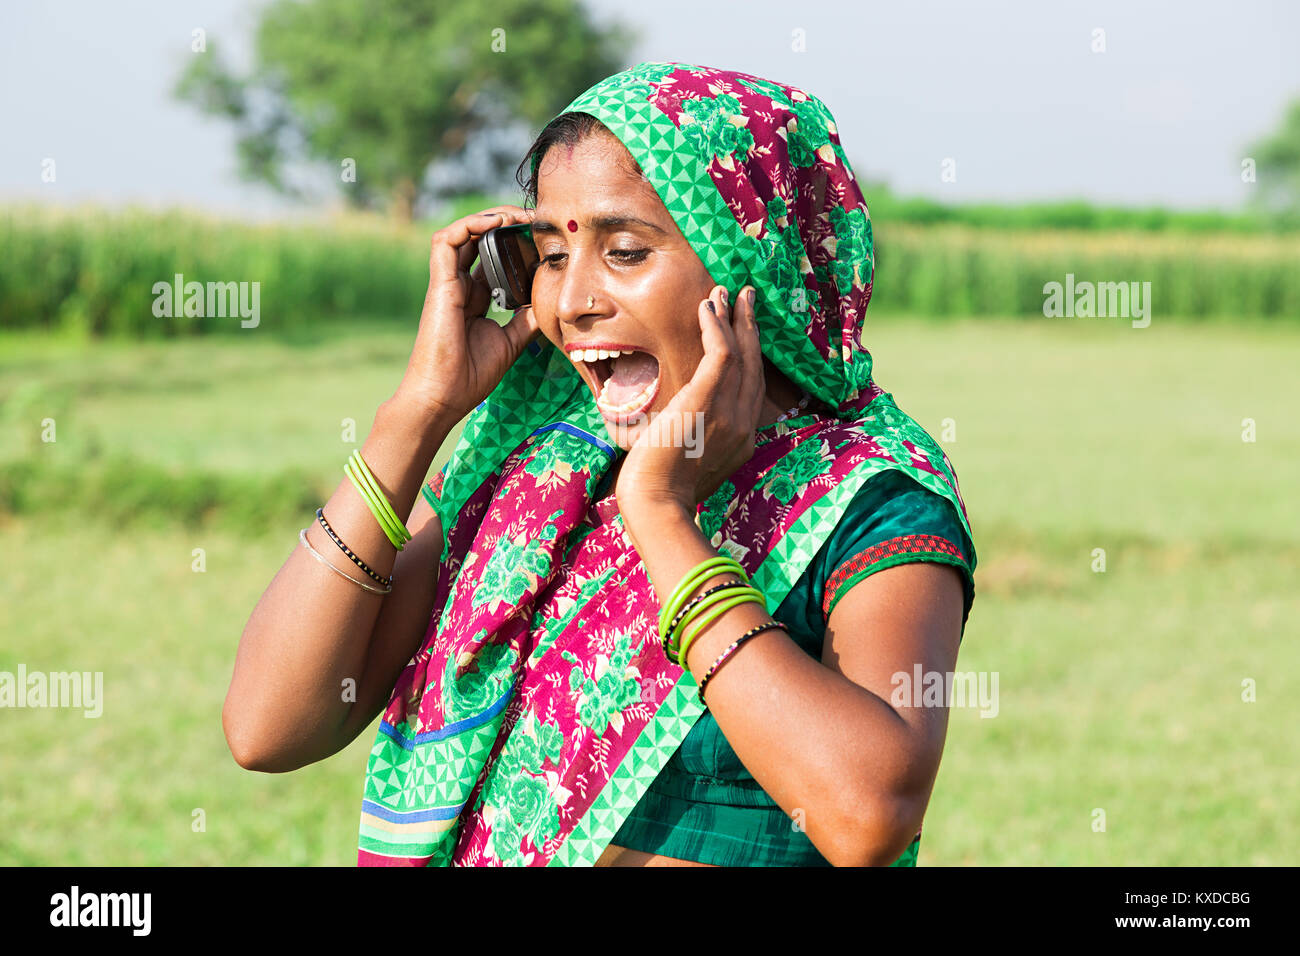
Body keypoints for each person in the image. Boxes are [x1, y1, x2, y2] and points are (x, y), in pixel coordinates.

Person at [225, 62, 976, 867]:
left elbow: (869, 814)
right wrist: (416, 415)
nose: (573, 300)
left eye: (623, 251)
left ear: (748, 262)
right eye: (550, 254)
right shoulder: (536, 465)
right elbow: (270, 727)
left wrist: (660, 513)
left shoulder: (869, 494)